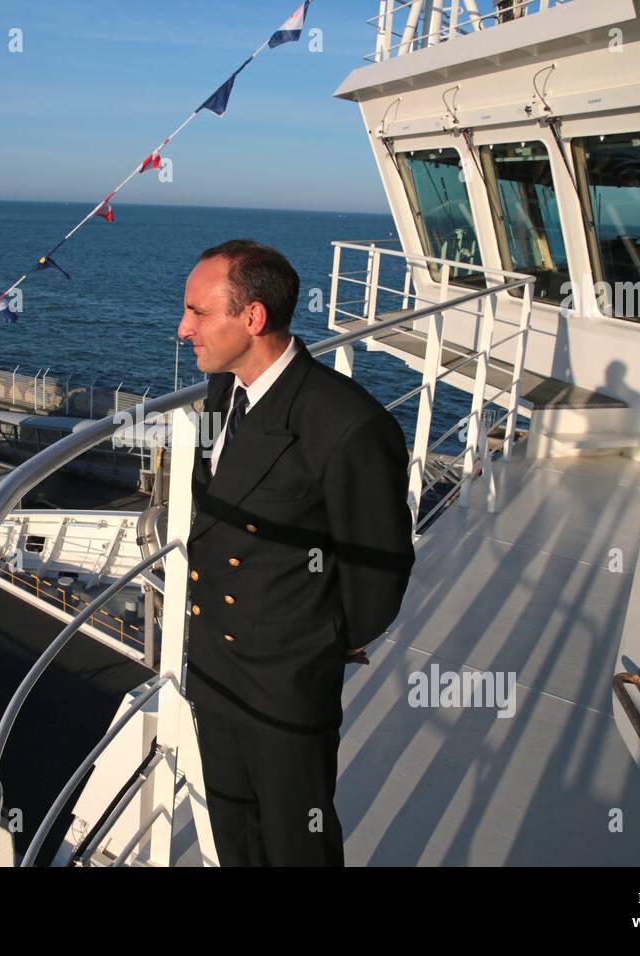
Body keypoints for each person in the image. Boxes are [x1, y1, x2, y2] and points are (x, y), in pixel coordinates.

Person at [176, 239, 415, 866]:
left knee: (295, 842)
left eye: (198, 313)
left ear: (251, 319)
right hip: (214, 666)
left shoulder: (346, 425)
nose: (183, 329)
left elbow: (378, 574)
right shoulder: (224, 391)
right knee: (235, 834)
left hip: (285, 680)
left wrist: (310, 642)